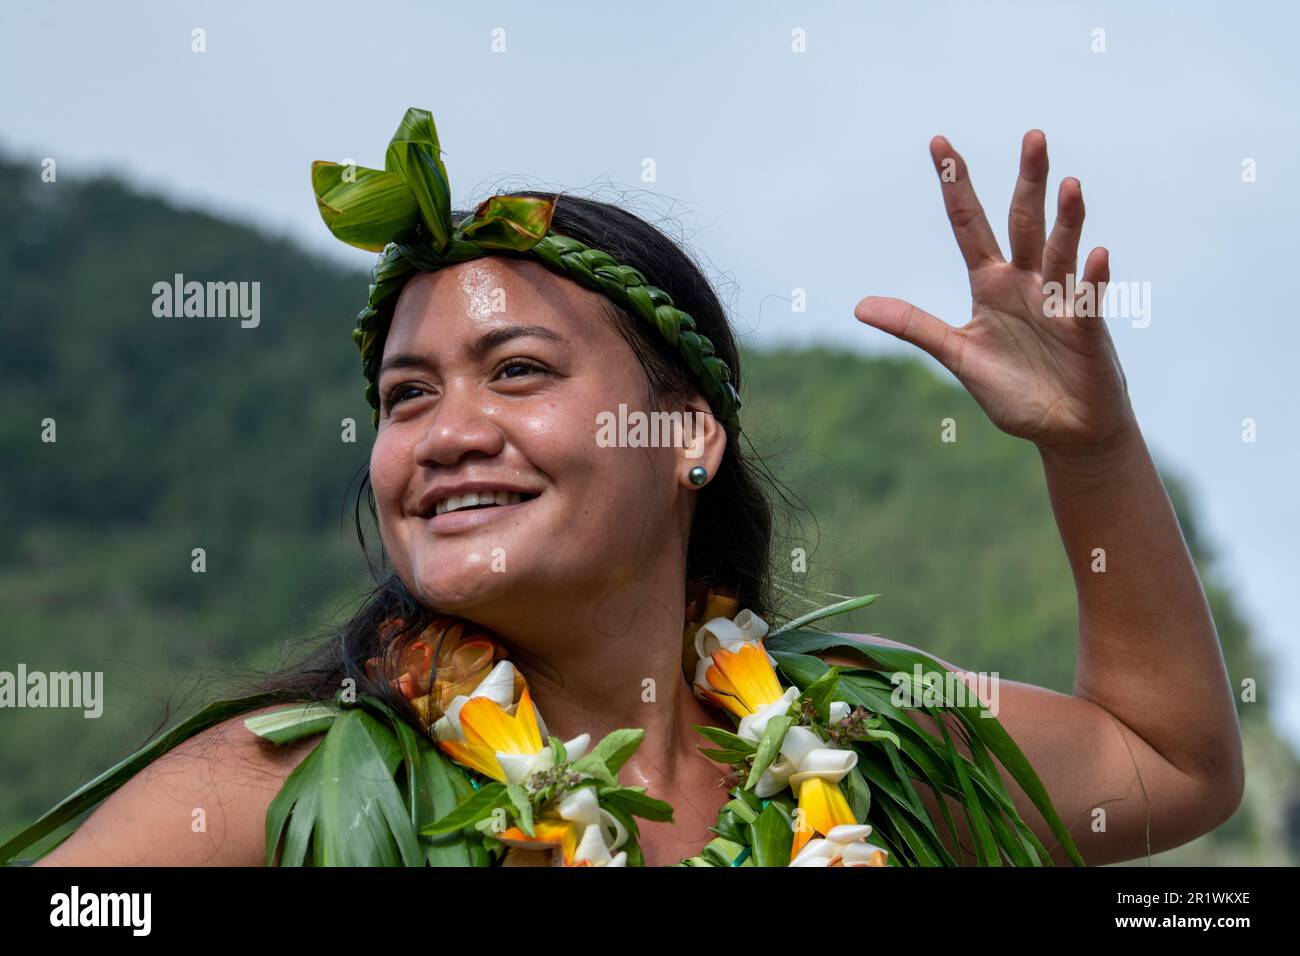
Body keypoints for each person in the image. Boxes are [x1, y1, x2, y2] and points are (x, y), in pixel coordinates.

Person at [31, 124, 1242, 868]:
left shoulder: (870, 746)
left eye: (517, 371)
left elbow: (1171, 765)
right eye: (405, 396)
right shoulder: (281, 796)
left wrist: (1091, 448)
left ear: (686, 436)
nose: (445, 433)